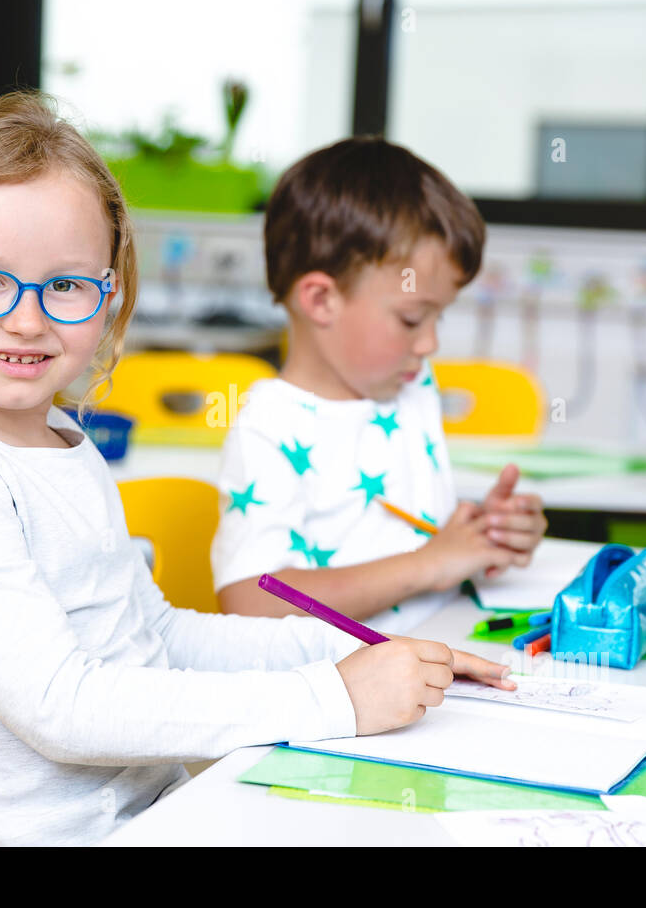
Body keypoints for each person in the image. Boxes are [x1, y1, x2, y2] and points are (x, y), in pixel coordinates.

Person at [0, 92, 515, 845]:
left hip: (153, 816)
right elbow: (63, 706)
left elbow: (150, 634)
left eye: (65, 285)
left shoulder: (57, 438)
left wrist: (356, 650)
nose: (27, 319)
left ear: (108, 293)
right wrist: (333, 697)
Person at [213, 137, 548, 633]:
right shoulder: (268, 426)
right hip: (345, 691)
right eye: (412, 319)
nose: (430, 343)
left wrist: (484, 534)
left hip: (439, 653)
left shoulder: (410, 386)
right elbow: (250, 600)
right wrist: (432, 565)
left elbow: (393, 530)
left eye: (439, 317)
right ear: (322, 300)